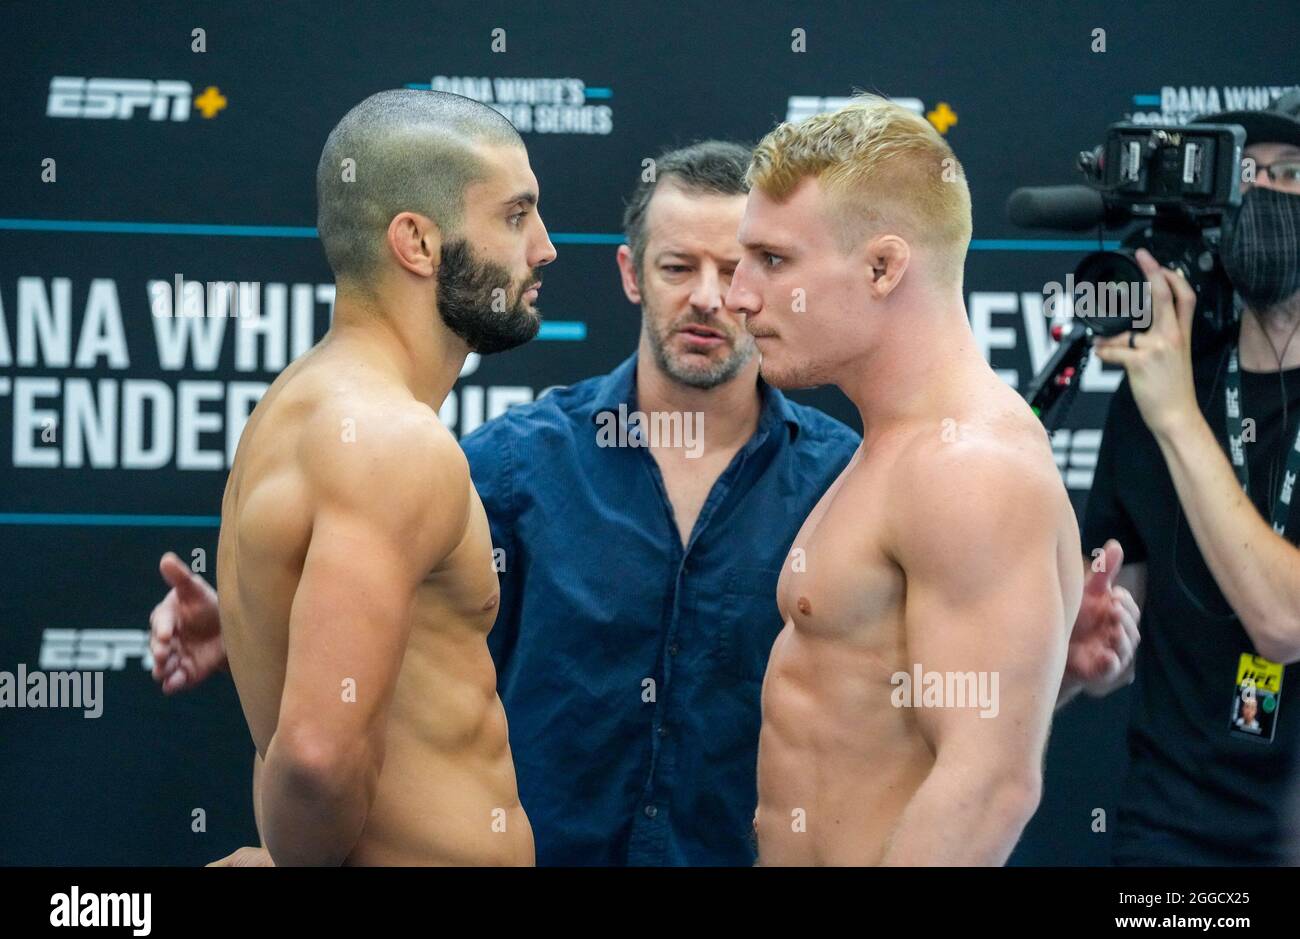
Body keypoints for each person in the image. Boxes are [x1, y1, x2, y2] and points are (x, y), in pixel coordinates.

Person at [151, 138, 1133, 867]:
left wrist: (1052, 659)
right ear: (630, 273)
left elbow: (931, 717)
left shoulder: (856, 485)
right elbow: (401, 644)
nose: (708, 297)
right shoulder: (501, 468)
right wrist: (257, 613)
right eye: (676, 267)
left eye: (735, 268)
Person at [727, 93, 1083, 866]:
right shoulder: (894, 447)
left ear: (884, 266)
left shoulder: (967, 466)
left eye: (774, 262)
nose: (737, 296)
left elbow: (990, 784)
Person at [202, 87, 555, 865]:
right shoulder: (393, 442)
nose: (545, 248)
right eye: (514, 215)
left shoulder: (296, 405)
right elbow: (318, 757)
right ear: (418, 243)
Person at [1080, 91, 1300, 865]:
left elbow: (1285, 623)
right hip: (1168, 835)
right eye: (1251, 173)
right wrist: (1074, 656)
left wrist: (1178, 416)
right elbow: (1109, 651)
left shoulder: (1163, 400)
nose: (1268, 191)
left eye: (1293, 173)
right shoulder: (1156, 393)